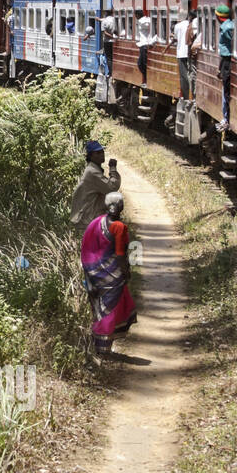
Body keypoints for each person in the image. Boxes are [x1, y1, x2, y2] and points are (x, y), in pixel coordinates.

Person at [81, 191, 137, 355]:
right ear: (121, 207)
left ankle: (95, 346)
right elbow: (120, 255)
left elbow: (86, 251)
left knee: (98, 309)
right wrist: (126, 272)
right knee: (110, 310)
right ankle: (103, 348)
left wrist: (89, 276)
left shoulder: (95, 223)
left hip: (93, 275)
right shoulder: (119, 227)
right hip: (113, 276)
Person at [70, 140, 122, 228]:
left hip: (88, 217)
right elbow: (112, 187)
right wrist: (113, 169)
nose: (102, 154)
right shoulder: (92, 172)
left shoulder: (93, 169)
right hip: (87, 219)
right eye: (98, 153)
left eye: (102, 151)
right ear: (91, 156)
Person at [172, 6, 200, 101]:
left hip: (181, 53)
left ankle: (186, 96)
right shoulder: (192, 24)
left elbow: (175, 37)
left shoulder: (178, 26)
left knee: (184, 76)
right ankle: (192, 95)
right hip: (189, 53)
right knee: (190, 74)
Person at [215, 4, 233, 132]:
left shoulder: (226, 28)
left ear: (218, 16)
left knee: (226, 90)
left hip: (227, 62)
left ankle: (226, 118)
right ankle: (225, 117)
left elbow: (227, 48)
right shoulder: (229, 25)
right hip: (225, 62)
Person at [135, 10, 155, 87]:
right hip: (146, 44)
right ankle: (146, 78)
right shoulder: (148, 19)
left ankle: (146, 78)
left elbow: (146, 25)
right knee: (143, 63)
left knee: (141, 64)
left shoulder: (141, 21)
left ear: (137, 15)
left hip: (144, 45)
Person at [100, 9, 117, 77]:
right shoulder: (115, 20)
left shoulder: (104, 21)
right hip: (115, 41)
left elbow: (104, 32)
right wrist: (114, 36)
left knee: (109, 58)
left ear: (106, 13)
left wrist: (111, 36)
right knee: (114, 57)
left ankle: (111, 72)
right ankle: (115, 71)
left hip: (107, 41)